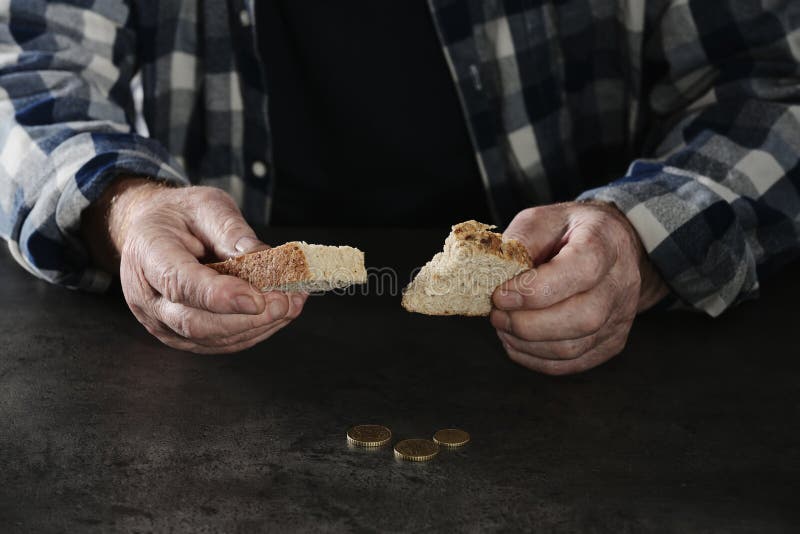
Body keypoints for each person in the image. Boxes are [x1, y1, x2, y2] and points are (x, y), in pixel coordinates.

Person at [0, 1, 797, 374]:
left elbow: (773, 86)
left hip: (603, 369)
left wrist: (644, 243)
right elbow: (26, 68)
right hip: (225, 372)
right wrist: (126, 207)